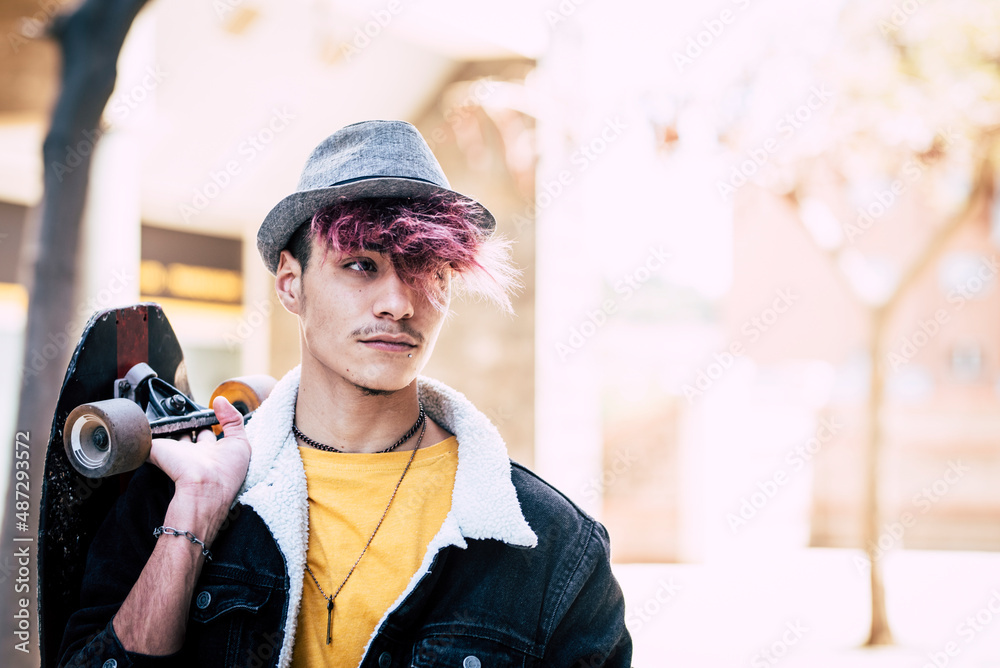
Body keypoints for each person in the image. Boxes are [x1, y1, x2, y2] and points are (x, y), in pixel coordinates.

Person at [58, 120, 632, 667]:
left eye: (426, 271)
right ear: (291, 284)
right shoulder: (180, 491)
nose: (399, 303)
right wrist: (194, 521)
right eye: (361, 265)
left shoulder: (553, 547)